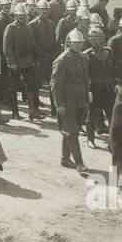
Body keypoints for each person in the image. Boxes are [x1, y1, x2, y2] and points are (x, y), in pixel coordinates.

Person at [51, 28, 90, 173]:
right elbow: (55, 84)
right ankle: (79, 163)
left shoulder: (83, 58)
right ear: (69, 43)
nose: (79, 45)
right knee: (72, 132)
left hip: (80, 101)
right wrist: (59, 104)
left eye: (80, 43)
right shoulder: (62, 60)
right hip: (67, 102)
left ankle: (65, 158)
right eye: (76, 43)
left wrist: (87, 97)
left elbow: (86, 80)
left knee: (71, 130)